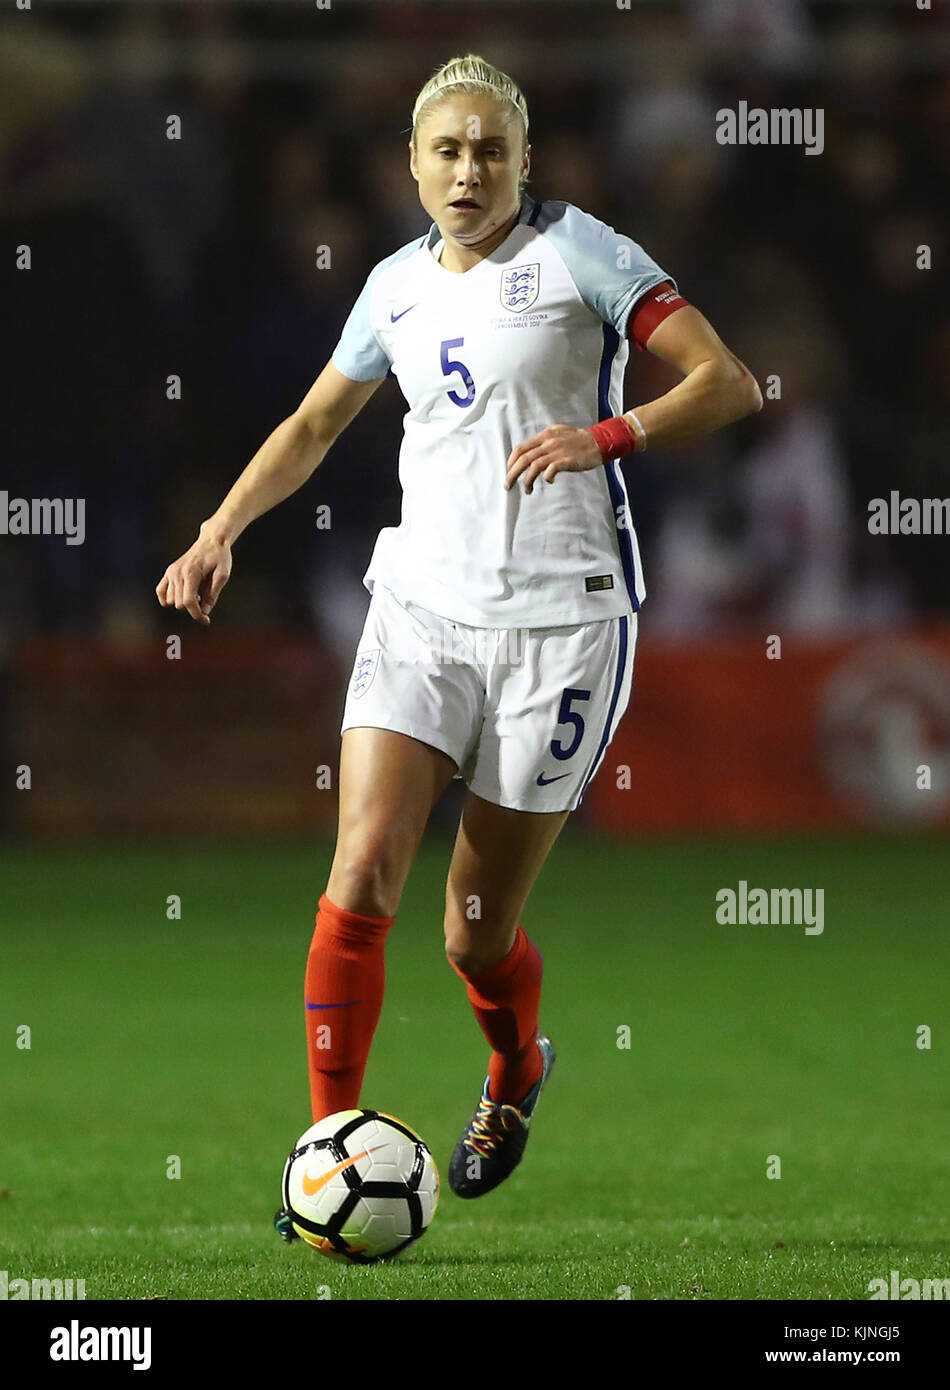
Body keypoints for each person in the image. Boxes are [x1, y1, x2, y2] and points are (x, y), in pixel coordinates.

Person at [156, 54, 762, 1226]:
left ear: (522, 160)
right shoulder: (390, 286)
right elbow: (314, 420)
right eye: (446, 149)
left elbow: (727, 384)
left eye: (490, 149)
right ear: (414, 164)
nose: (468, 169)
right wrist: (219, 529)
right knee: (362, 867)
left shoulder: (580, 252)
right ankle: (328, 1142)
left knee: (473, 937)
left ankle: (514, 1067)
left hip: (565, 618)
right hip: (421, 608)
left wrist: (609, 432)